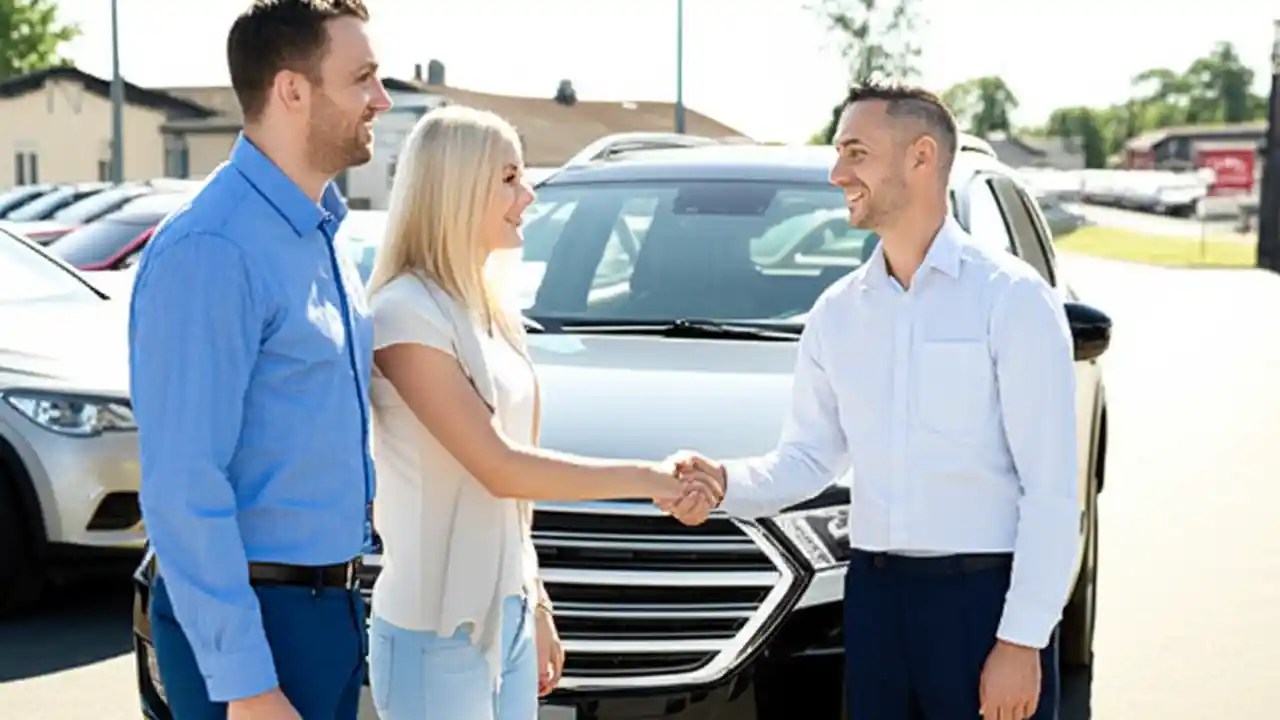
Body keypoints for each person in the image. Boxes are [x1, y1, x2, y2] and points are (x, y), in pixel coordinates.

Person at [661, 83, 1079, 720]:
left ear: (921, 156)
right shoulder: (838, 313)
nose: (837, 174)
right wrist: (725, 482)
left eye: (855, 152)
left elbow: (1049, 492)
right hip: (876, 599)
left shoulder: (1012, 300)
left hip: (982, 601)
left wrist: (1021, 639)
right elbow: (808, 458)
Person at [361, 105, 720, 720]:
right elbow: (499, 468)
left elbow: (510, 507)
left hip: (508, 620)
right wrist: (647, 480)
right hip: (435, 630)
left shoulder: (489, 312)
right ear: (456, 188)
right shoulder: (404, 314)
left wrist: (537, 604)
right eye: (508, 178)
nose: (527, 194)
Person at [127, 2, 391, 718]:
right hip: (255, 627)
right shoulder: (212, 249)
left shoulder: (322, 232)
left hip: (327, 611)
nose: (382, 98)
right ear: (292, 90)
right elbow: (184, 484)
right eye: (363, 77)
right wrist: (244, 681)